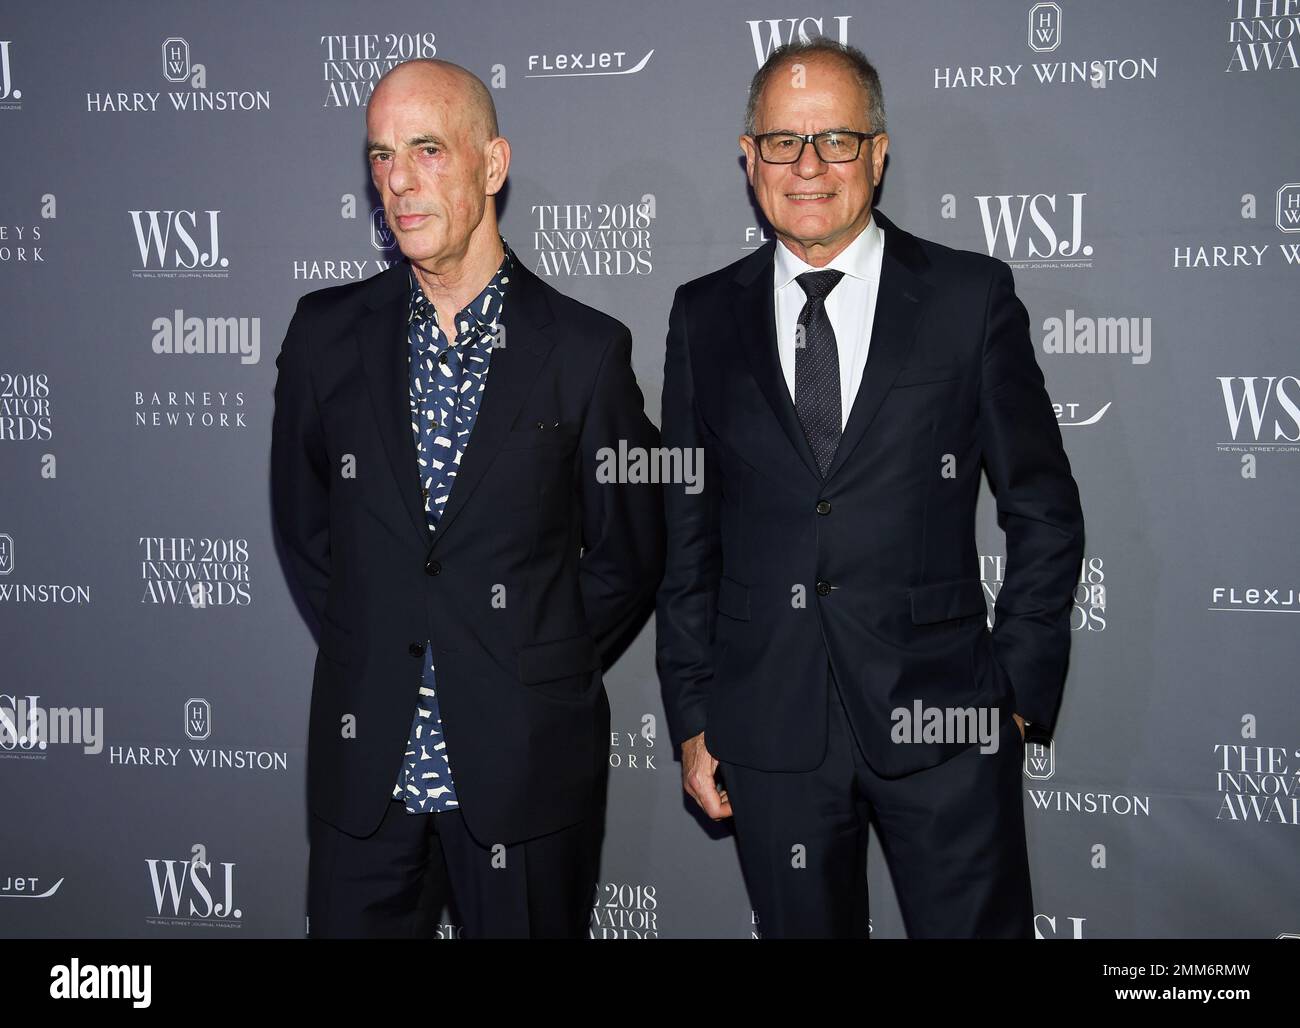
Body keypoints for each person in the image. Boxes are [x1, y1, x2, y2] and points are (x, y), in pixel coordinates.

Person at [656, 38, 1085, 938]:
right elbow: (687, 534)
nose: (808, 166)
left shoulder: (969, 298)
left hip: (947, 722)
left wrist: (1012, 697)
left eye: (836, 140)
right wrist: (694, 714)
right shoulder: (702, 316)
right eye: (781, 141)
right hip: (769, 730)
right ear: (748, 158)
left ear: (879, 154)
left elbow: (1042, 508)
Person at [271, 58, 663, 938]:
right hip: (365, 776)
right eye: (379, 156)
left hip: (524, 777)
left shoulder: (585, 353)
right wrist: (383, 636)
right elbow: (306, 531)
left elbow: (630, 557)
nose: (397, 182)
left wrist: (527, 659)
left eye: (426, 150)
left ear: (492, 165)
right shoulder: (324, 338)